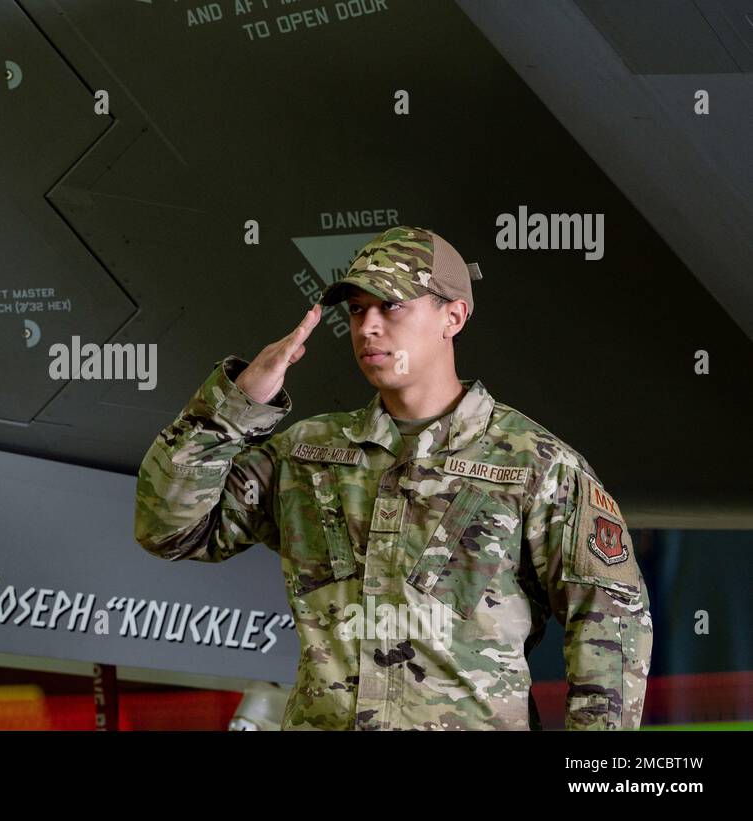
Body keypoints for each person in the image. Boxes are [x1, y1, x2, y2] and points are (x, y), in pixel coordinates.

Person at [133, 225, 652, 730]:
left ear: (454, 316)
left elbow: (611, 625)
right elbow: (169, 531)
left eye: (392, 305)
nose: (367, 327)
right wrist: (237, 407)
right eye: (357, 309)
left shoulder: (535, 464)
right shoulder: (308, 453)